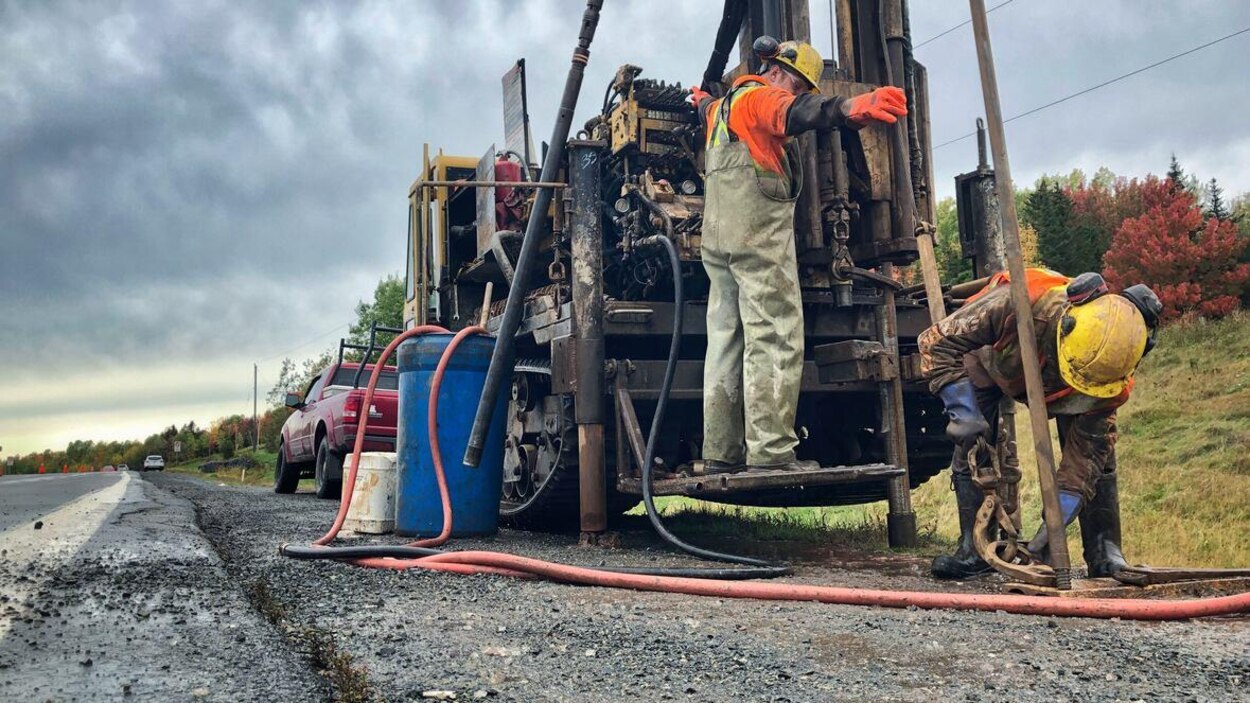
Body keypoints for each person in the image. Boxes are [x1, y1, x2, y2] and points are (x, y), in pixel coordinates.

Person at [689, 38, 907, 474]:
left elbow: (705, 106)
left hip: (717, 243)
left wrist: (700, 99)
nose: (797, 94)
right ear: (788, 78)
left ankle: (719, 453)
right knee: (774, 334)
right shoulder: (765, 99)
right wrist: (849, 109)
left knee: (726, 339)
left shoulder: (722, 110)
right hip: (755, 240)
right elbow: (798, 114)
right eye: (801, 86)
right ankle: (771, 453)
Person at [918, 267, 1162, 579]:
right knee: (974, 445)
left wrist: (1051, 531)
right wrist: (962, 411)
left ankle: (1104, 551)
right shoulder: (1015, 301)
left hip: (1061, 383)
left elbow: (1080, 469)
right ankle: (974, 548)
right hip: (990, 360)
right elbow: (934, 341)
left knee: (1096, 456)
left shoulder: (1112, 377)